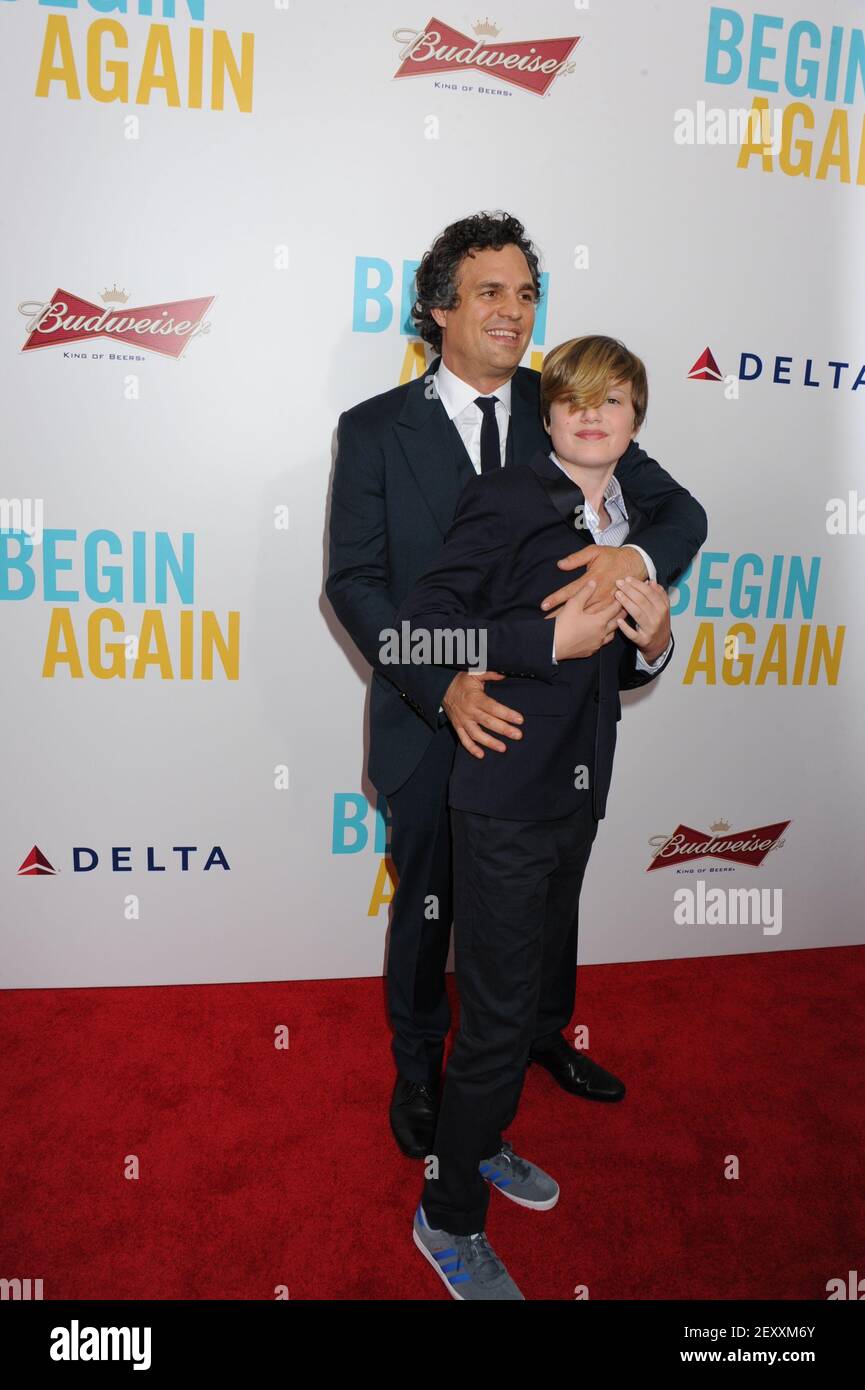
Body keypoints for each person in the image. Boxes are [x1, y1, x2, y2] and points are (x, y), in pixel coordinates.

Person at [325, 212, 706, 1161]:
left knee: (548, 900)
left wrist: (628, 556)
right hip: (428, 721)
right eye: (489, 291)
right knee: (428, 905)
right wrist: (441, 682)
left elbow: (679, 511)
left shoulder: (569, 399)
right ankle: (422, 1072)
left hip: (558, 731)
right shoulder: (374, 429)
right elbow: (355, 584)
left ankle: (539, 1037)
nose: (513, 311)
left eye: (526, 293)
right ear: (437, 308)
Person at [396, 334, 678, 1299]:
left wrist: (655, 641)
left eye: (613, 402)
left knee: (522, 1001)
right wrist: (540, 640)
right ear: (545, 413)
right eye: (573, 401)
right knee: (498, 1013)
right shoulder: (509, 495)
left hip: (576, 793)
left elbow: (624, 665)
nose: (591, 415)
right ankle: (446, 1211)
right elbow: (422, 625)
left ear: (636, 421)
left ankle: (483, 1145)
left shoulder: (627, 517)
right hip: (504, 795)